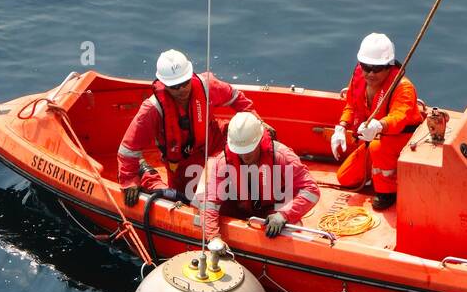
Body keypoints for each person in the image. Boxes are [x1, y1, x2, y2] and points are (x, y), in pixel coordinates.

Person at [117, 49, 254, 206]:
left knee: (251, 147)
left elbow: (236, 98)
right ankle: (145, 171)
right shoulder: (152, 109)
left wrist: (256, 121)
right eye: (174, 86)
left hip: (215, 143)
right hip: (183, 166)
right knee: (188, 201)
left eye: (184, 83)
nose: (181, 89)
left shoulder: (207, 86)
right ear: (164, 84)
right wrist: (128, 181)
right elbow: (128, 148)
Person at [330, 32, 423, 210]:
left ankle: (387, 192)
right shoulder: (359, 77)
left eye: (377, 68)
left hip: (402, 140)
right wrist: (341, 127)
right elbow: (351, 104)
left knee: (377, 148)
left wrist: (380, 125)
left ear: (388, 66)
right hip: (374, 136)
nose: (370, 73)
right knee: (346, 178)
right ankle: (378, 170)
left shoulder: (403, 88)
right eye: (366, 67)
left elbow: (399, 117)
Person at [203, 112, 321, 243]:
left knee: (293, 232)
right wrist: (213, 237)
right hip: (239, 207)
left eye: (249, 149)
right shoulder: (223, 161)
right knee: (204, 211)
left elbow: (311, 190)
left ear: (259, 140)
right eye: (240, 151)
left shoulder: (282, 155)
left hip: (273, 209)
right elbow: (211, 202)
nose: (245, 156)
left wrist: (284, 215)